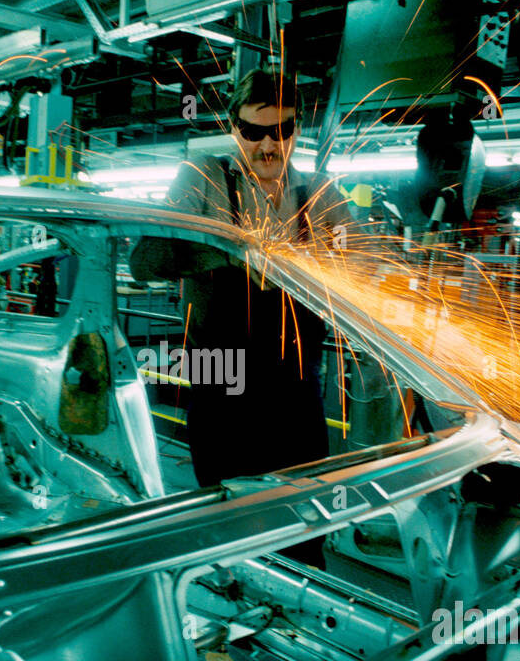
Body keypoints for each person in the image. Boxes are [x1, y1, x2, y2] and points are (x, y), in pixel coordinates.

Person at [130, 67, 354, 533]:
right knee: (228, 518)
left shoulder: (320, 192)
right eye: (253, 133)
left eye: (282, 131)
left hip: (296, 390)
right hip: (221, 378)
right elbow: (145, 260)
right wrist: (230, 256)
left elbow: (360, 263)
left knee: (303, 518)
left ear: (297, 128)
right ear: (234, 126)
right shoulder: (203, 178)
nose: (268, 147)